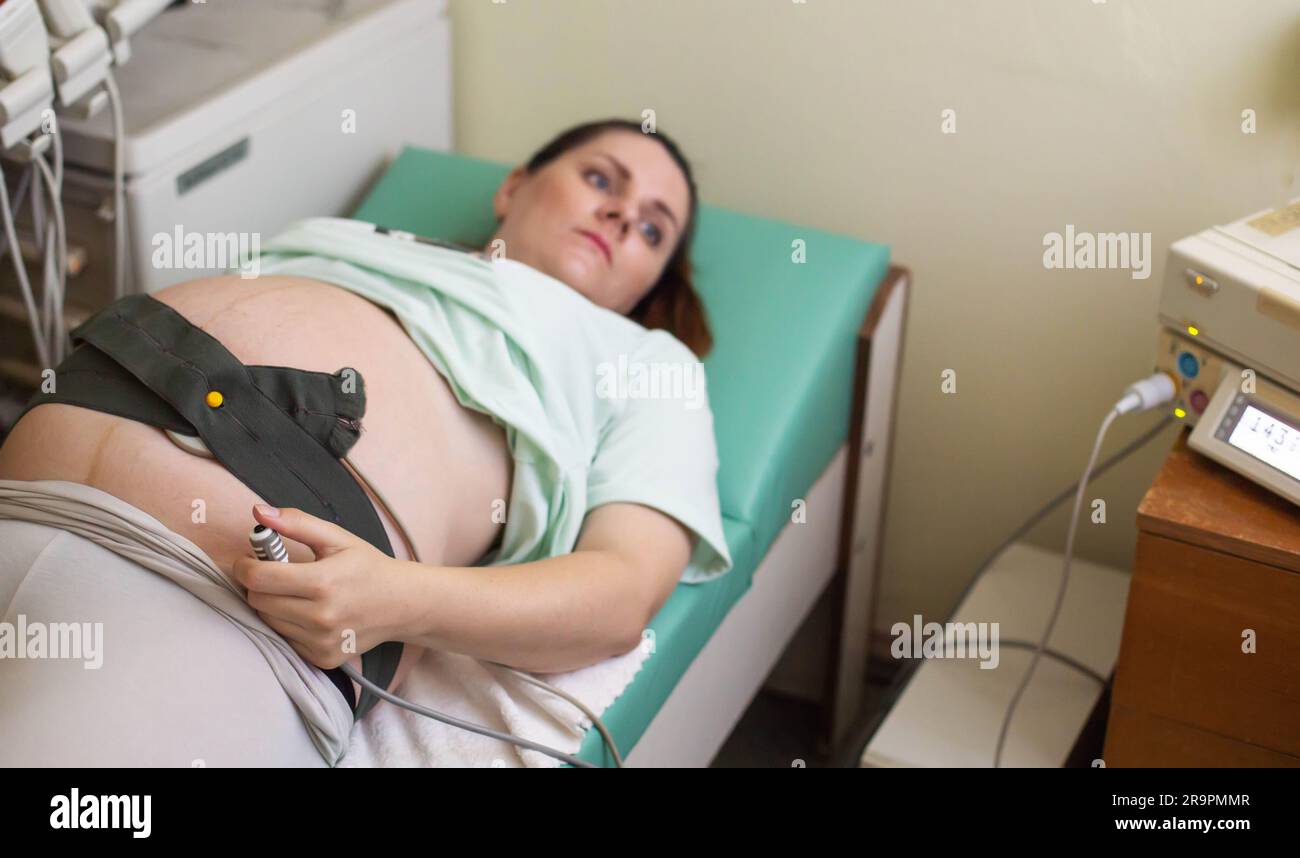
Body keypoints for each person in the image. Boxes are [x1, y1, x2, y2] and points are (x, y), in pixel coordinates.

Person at [0, 118, 733, 765]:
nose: (619, 213)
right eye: (601, 178)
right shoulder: (357, 238)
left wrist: (399, 601)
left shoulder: (643, 361)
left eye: (651, 229)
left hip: (218, 600)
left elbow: (621, 593)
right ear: (514, 186)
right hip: (23, 489)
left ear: (648, 282)